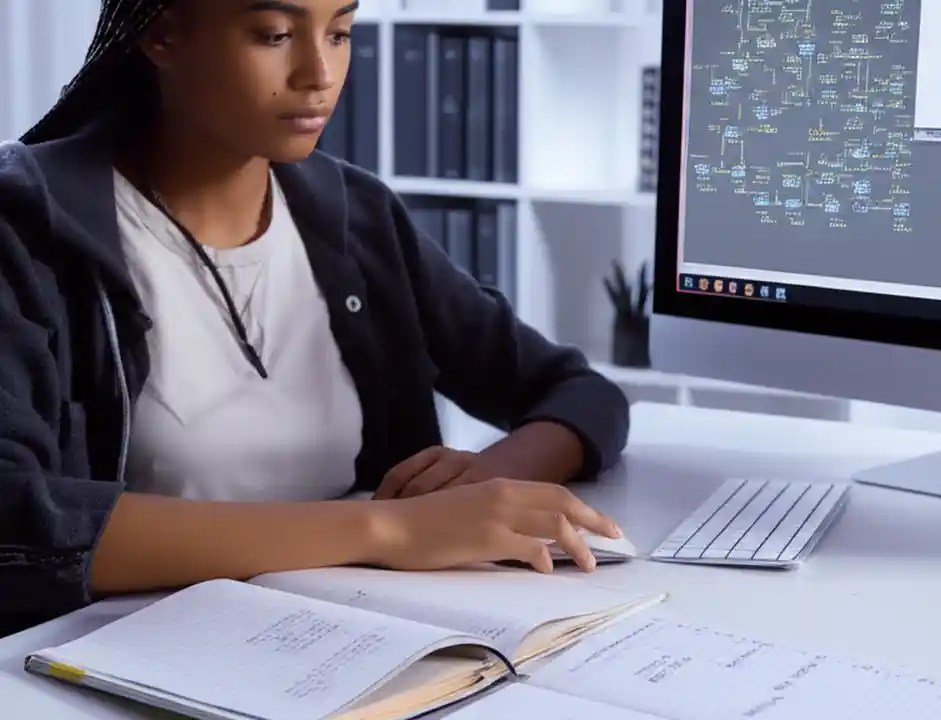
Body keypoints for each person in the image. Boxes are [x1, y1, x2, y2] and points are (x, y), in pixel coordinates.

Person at [0, 0, 631, 637]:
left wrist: (487, 482)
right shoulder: (27, 226)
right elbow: (14, 519)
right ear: (161, 35)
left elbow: (579, 393)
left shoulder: (356, 214)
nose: (319, 73)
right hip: (124, 656)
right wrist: (391, 531)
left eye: (339, 33)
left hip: (354, 637)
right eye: (275, 34)